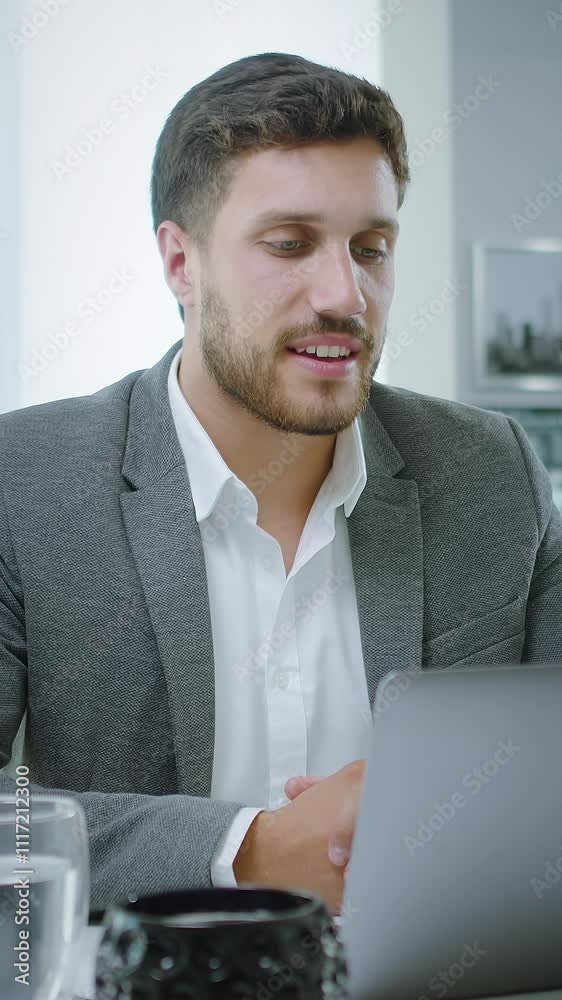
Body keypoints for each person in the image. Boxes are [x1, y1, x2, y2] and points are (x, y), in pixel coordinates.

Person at [1, 52, 561, 917]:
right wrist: (251, 848)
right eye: (289, 244)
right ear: (181, 264)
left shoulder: (492, 473)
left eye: (371, 249)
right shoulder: (25, 484)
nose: (346, 294)